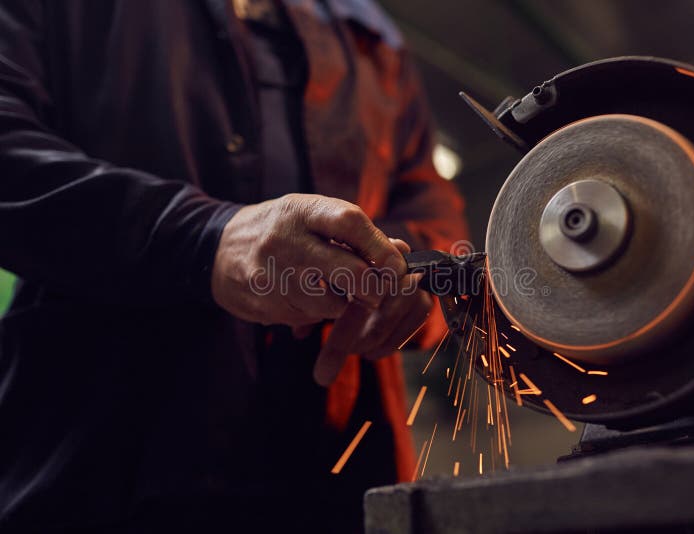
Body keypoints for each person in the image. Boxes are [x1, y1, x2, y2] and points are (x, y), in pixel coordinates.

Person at [0, 0, 467, 532]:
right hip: (101, 467)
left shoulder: (371, 35)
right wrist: (203, 239)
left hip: (339, 478)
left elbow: (436, 217)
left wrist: (403, 275)